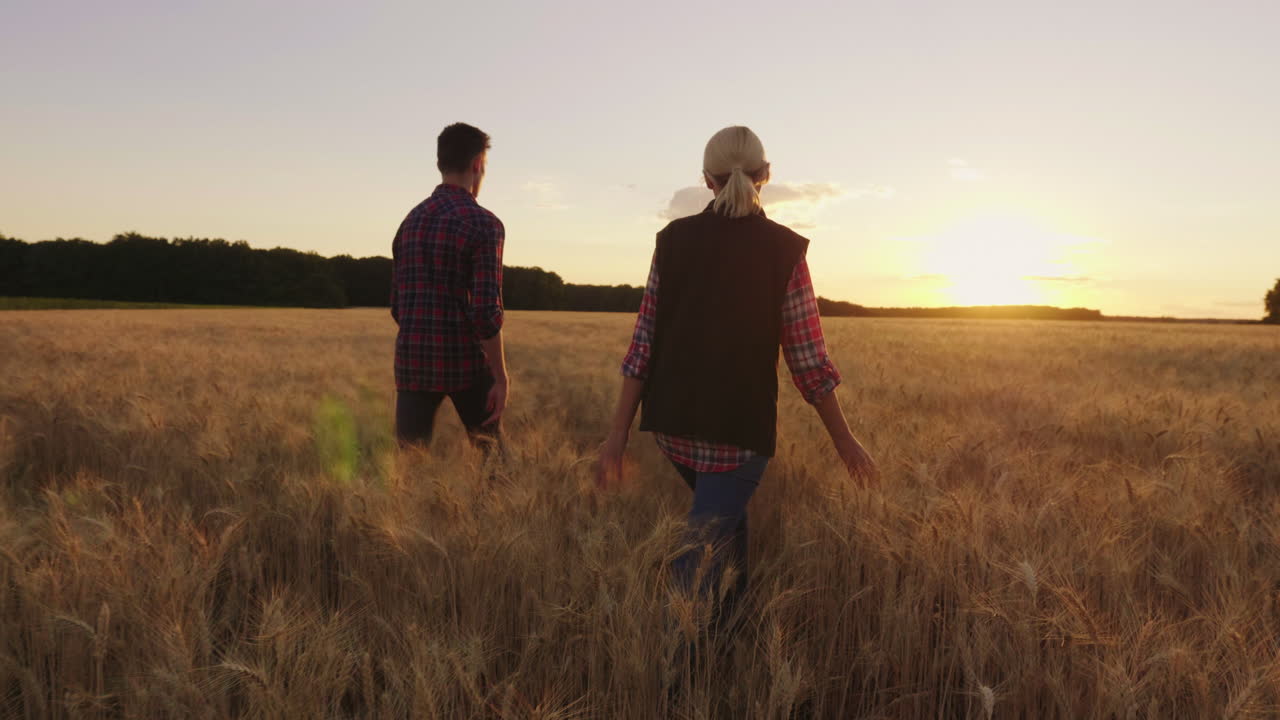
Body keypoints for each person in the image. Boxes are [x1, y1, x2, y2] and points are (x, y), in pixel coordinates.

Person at [596, 126, 878, 642]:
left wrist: (616, 436)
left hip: (674, 428)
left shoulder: (672, 241)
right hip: (739, 433)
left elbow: (643, 345)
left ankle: (730, 630)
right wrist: (846, 441)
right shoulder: (784, 250)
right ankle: (673, 676)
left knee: (725, 521)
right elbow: (808, 361)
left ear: (706, 180)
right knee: (701, 548)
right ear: (766, 176)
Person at [390, 122, 508, 452]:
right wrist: (500, 376)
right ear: (477, 165)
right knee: (494, 465)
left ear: (440, 163)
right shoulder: (484, 224)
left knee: (409, 469)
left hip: (412, 361)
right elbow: (486, 312)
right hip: (465, 362)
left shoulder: (410, 222)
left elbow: (399, 307)